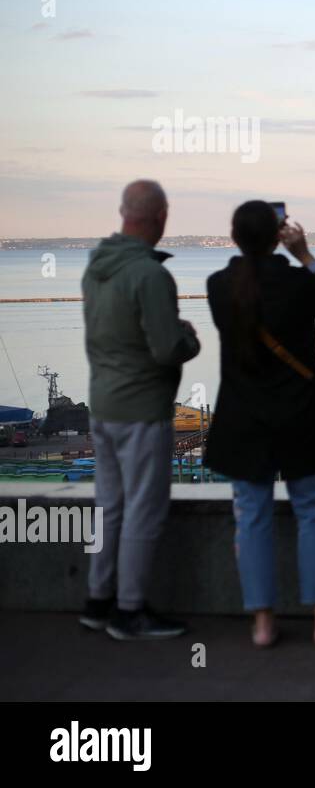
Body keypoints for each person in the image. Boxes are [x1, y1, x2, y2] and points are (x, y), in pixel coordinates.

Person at [204, 201, 315, 648]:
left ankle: (261, 625)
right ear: (280, 234)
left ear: (235, 237)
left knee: (250, 518)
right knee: (313, 511)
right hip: (300, 415)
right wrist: (305, 253)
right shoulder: (297, 281)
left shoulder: (219, 286)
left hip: (243, 419)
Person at [81, 179, 200, 640]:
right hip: (142, 410)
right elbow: (168, 348)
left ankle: (98, 600)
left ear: (123, 212)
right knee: (144, 510)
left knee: (109, 506)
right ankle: (130, 611)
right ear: (161, 217)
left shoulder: (97, 266)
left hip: (103, 405)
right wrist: (188, 335)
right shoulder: (151, 276)